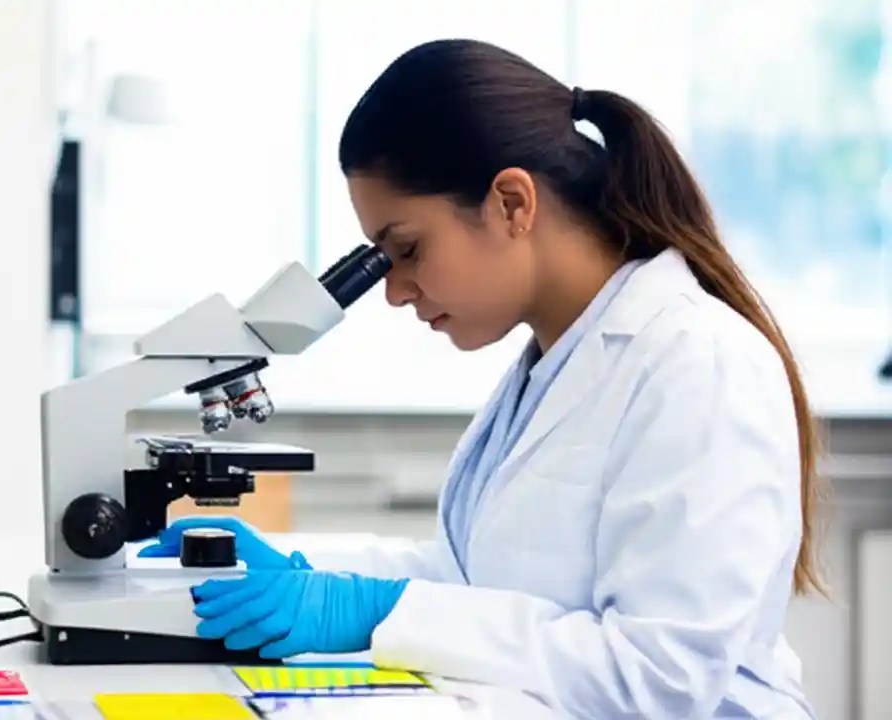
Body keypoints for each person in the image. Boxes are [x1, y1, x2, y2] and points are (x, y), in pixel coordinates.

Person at [139, 38, 824, 719]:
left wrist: (367, 610)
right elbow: (475, 583)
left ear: (512, 204)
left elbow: (658, 679)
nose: (395, 291)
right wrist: (305, 573)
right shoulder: (556, 360)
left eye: (406, 250)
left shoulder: (699, 363)